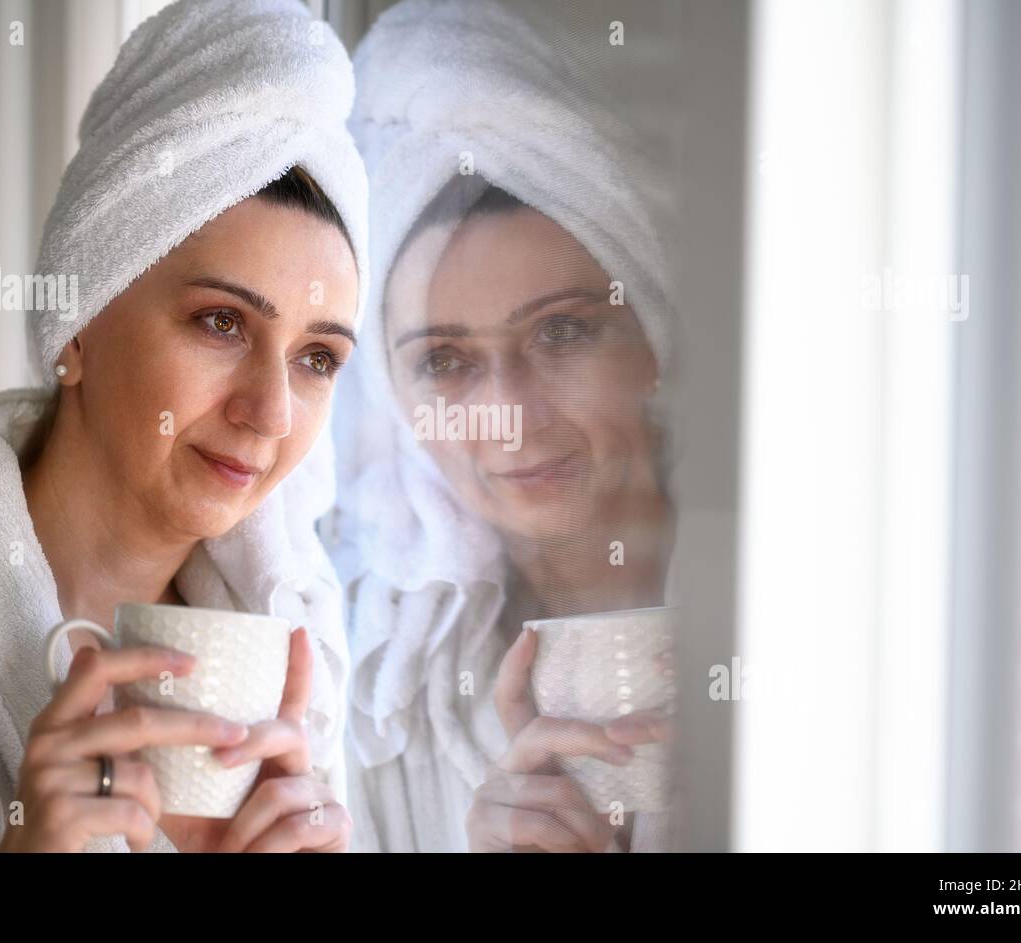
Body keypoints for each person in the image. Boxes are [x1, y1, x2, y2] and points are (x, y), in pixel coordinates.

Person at [0, 0, 368, 853]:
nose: (271, 411)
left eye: (317, 357)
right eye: (222, 322)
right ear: (76, 322)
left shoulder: (294, 677)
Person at [332, 0, 681, 852]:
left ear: (653, 333)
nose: (513, 416)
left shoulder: (813, 618)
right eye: (446, 361)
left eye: (562, 331)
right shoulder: (376, 689)